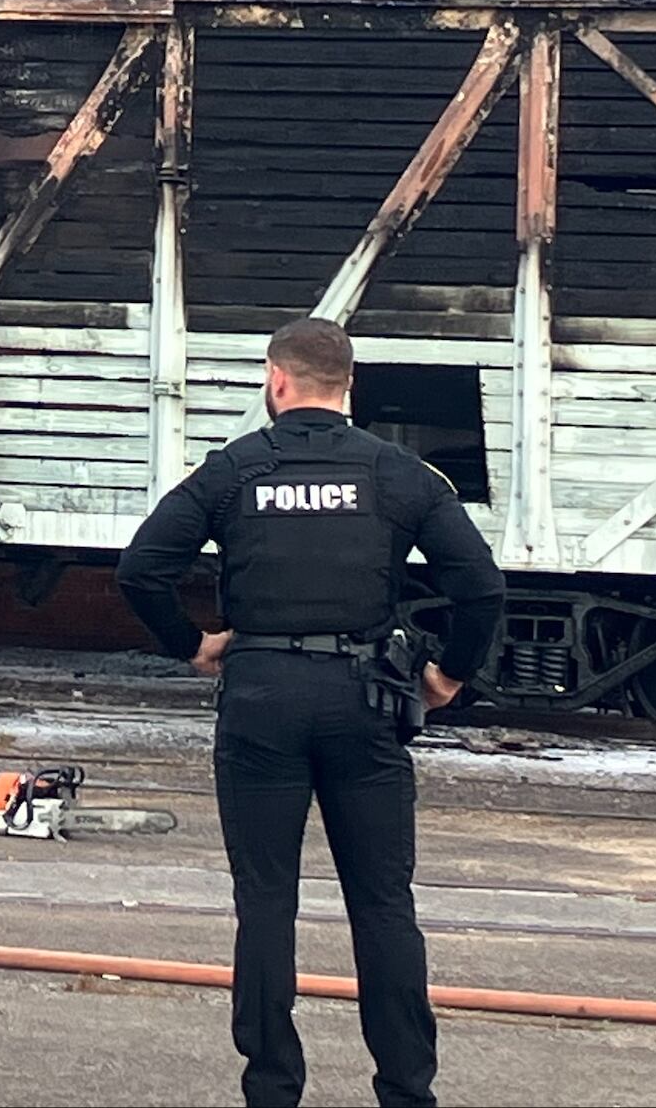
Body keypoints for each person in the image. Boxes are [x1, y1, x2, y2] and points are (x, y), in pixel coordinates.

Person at [116, 317, 505, 1108]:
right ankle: (406, 1091)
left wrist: (193, 643)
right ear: (349, 387)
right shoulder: (400, 474)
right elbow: (482, 587)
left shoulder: (233, 472)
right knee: (384, 905)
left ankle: (272, 1089)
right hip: (365, 704)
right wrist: (448, 676)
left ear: (277, 381)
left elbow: (142, 569)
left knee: (265, 904)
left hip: (260, 700)